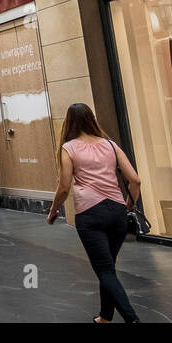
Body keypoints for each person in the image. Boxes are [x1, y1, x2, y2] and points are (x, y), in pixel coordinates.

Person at [48, 102, 142, 324]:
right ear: (92, 119)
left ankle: (132, 319)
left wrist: (53, 211)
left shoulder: (68, 148)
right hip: (117, 212)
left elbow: (63, 187)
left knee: (105, 270)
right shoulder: (110, 145)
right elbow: (135, 180)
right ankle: (105, 317)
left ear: (69, 122)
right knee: (107, 266)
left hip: (90, 215)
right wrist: (128, 205)